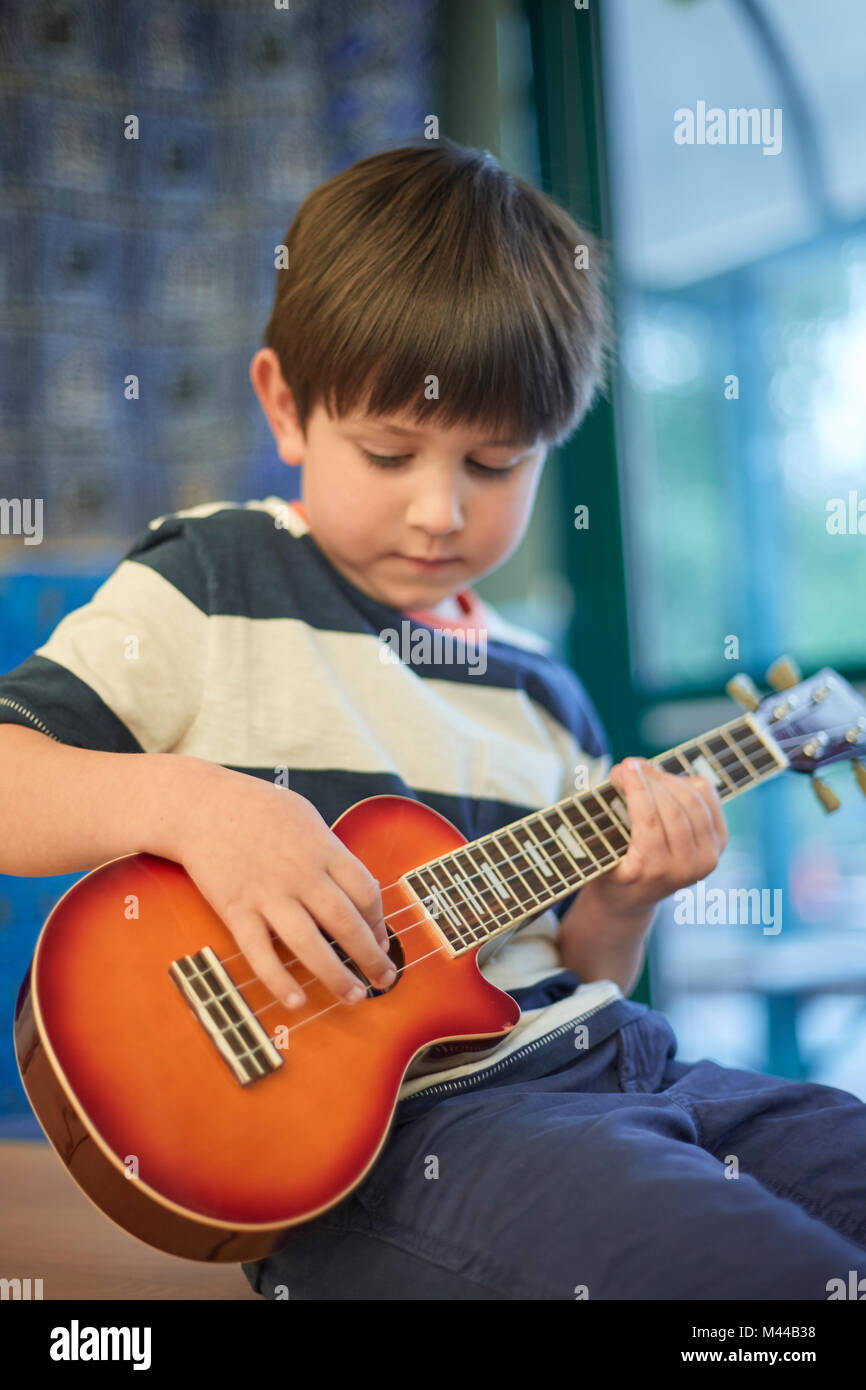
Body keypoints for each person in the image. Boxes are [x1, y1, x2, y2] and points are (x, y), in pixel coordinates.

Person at [0, 140, 863, 1301]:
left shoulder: (541, 686)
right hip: (399, 1144)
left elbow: (569, 975)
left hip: (619, 1071)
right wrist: (194, 802)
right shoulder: (215, 577)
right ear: (286, 407)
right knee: (748, 1275)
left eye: (495, 463)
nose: (438, 508)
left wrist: (620, 900)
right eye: (388, 452)